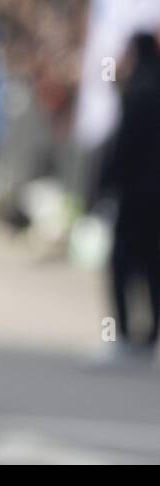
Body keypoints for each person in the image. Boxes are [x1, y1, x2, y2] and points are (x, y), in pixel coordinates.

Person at [96, 30, 160, 364]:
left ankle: (121, 336)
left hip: (137, 197)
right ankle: (148, 340)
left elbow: (123, 149)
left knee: (121, 265)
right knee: (152, 268)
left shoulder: (140, 91)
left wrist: (103, 187)